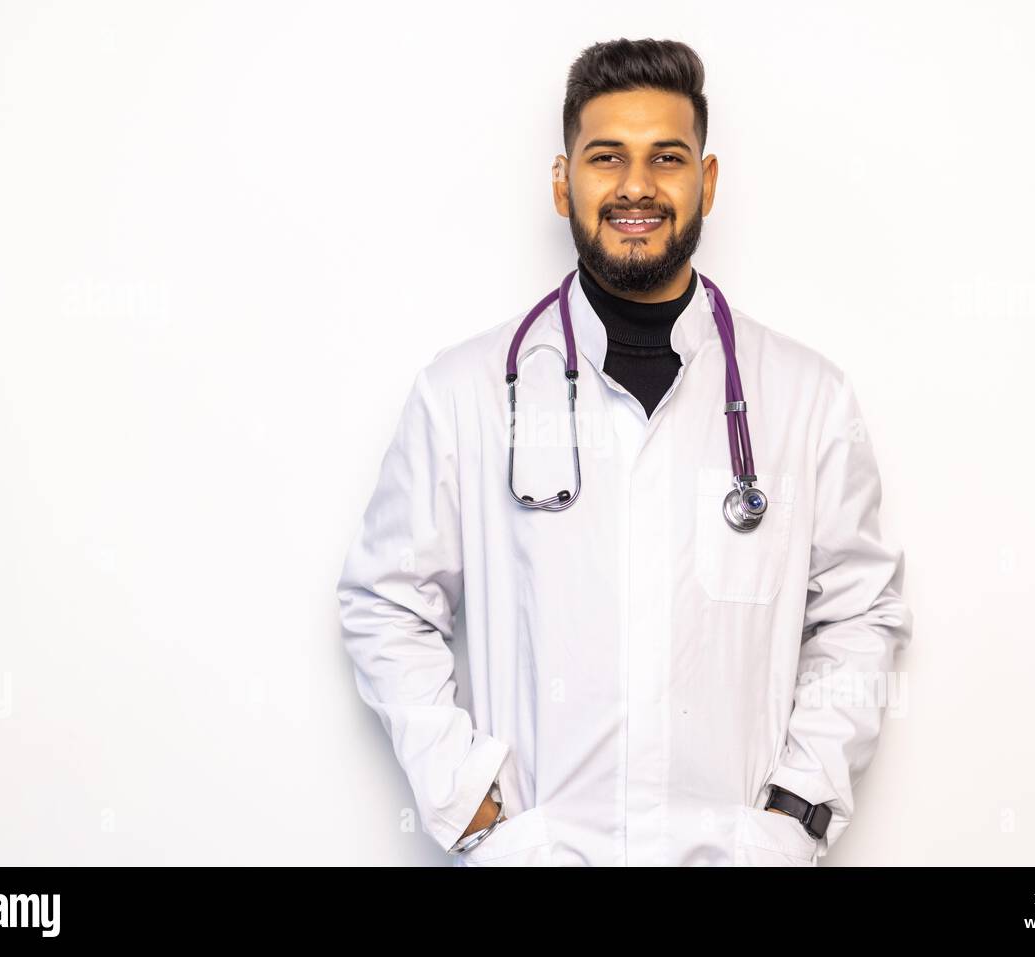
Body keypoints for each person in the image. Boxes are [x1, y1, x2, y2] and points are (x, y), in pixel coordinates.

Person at [336, 37, 913, 866]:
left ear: (705, 183)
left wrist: (795, 812)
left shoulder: (806, 398)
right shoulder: (463, 393)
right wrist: (471, 807)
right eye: (607, 157)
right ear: (563, 181)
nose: (636, 185)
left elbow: (863, 611)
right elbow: (385, 601)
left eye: (666, 158)